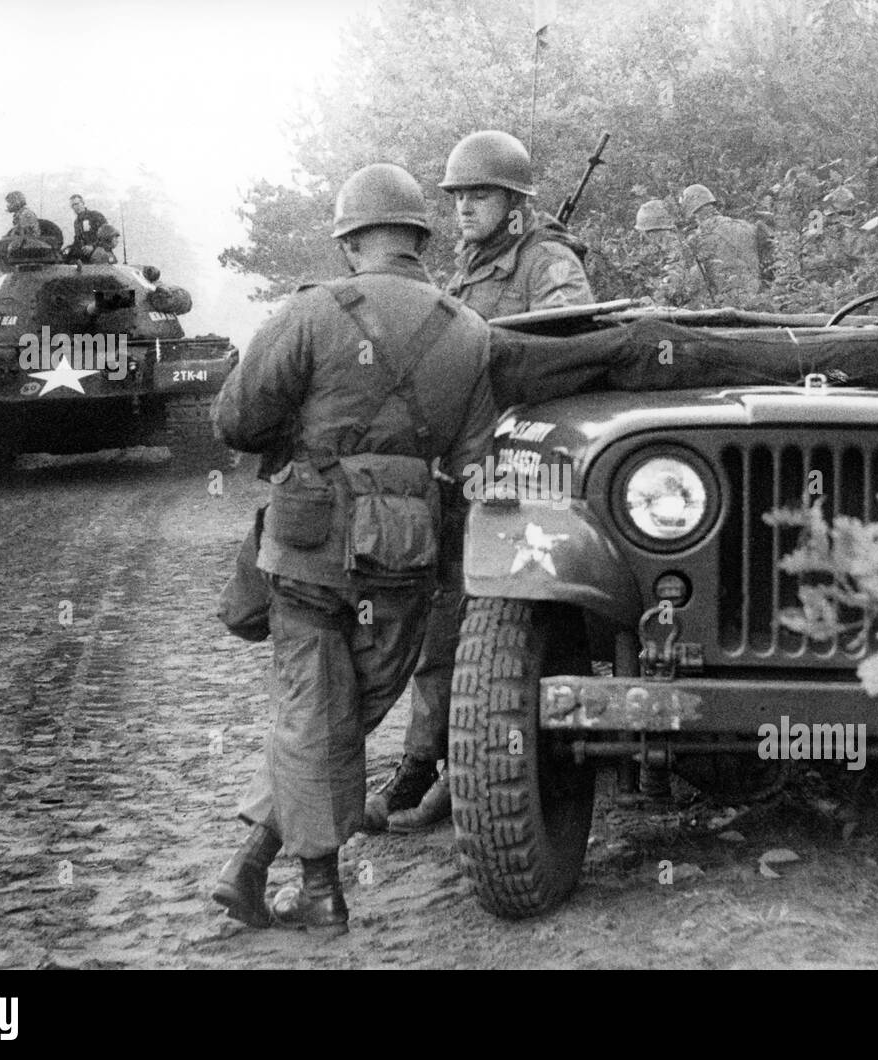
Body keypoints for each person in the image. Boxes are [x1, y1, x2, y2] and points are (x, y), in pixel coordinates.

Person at [210, 163, 497, 935]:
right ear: (419, 238)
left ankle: (318, 892)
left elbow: (235, 422)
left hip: (308, 547)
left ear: (349, 243)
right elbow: (475, 463)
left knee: (314, 716)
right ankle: (258, 870)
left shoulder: (313, 312)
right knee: (336, 718)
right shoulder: (469, 332)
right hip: (404, 554)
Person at [367, 129, 595, 834]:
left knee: (482, 620)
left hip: (521, 463)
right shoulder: (469, 266)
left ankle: (453, 768)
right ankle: (432, 761)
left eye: (481, 195)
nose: (464, 209)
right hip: (464, 459)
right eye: (458, 197)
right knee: (442, 614)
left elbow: (571, 346)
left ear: (516, 203)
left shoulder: (548, 260)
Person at [679, 183, 762, 302]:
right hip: (756, 297)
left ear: (693, 213)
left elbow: (696, 281)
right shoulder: (746, 226)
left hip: (726, 302)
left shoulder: (699, 237)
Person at [634, 198, 705, 307]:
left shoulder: (673, 245)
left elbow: (674, 283)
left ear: (651, 232)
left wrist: (655, 302)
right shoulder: (677, 242)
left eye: (645, 234)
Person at [64, 195, 110, 262]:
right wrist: (69, 248)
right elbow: (77, 240)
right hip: (86, 253)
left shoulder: (95, 215)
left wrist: (93, 247)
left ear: (83, 203)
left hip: (99, 252)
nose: (75, 207)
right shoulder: (77, 222)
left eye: (77, 204)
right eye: (73, 206)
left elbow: (107, 233)